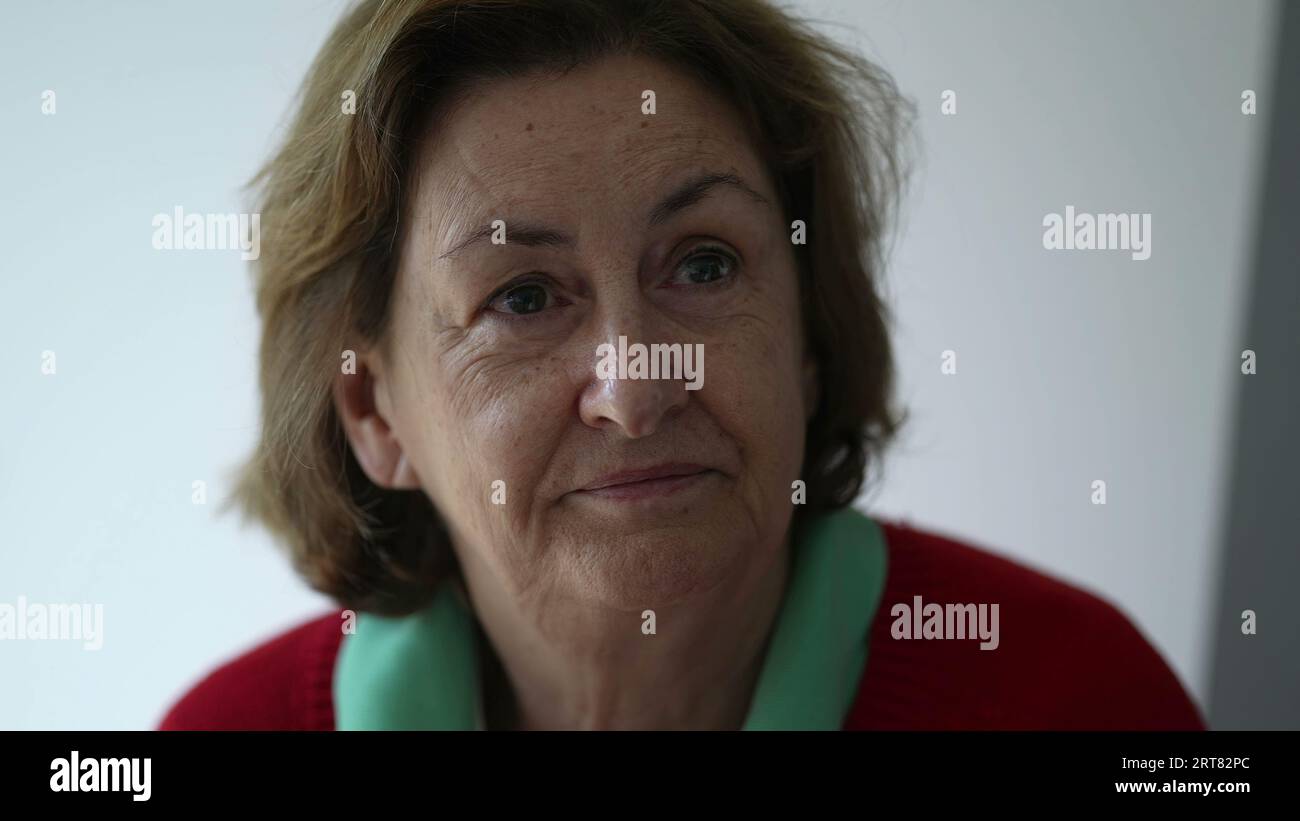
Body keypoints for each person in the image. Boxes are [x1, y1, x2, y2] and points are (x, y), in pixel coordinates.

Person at [159, 0, 1203, 730]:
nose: (637, 385)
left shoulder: (1074, 694)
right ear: (374, 414)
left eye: (703, 264)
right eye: (521, 296)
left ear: (805, 335)